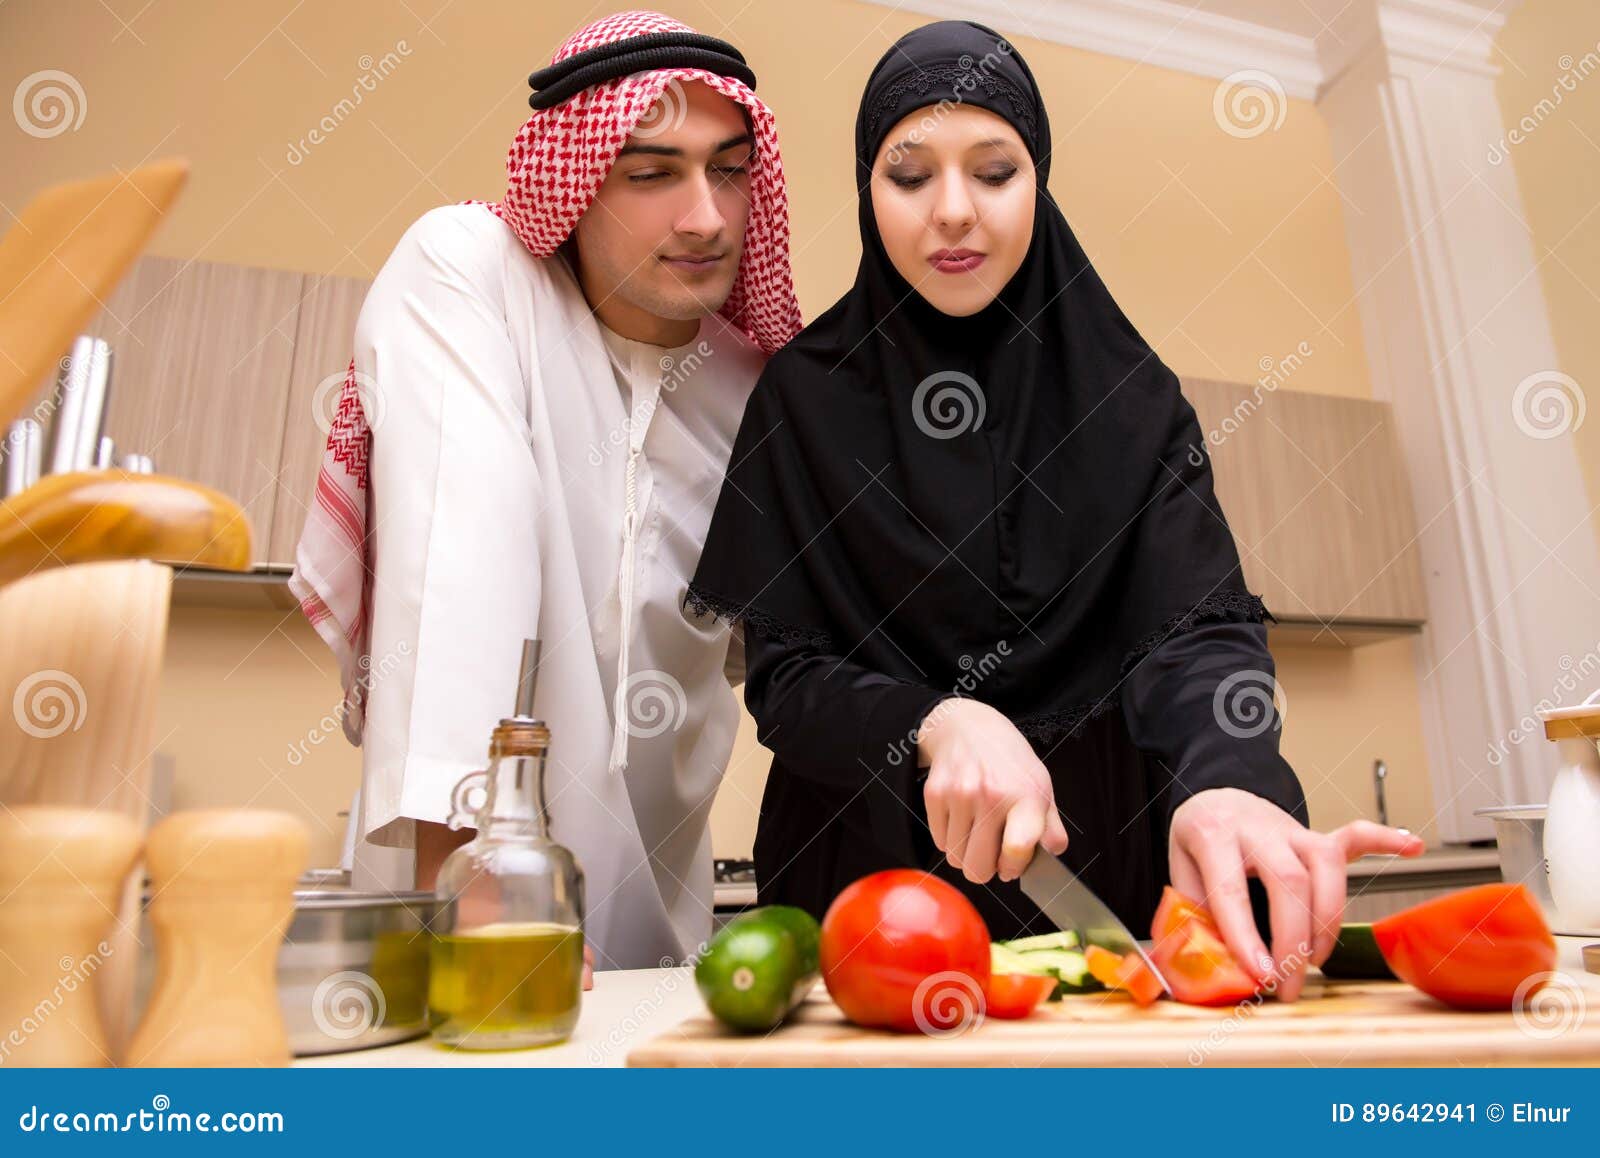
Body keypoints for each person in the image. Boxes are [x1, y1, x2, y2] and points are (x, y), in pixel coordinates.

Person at [686, 20, 1420, 1002]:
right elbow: (788, 682)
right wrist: (933, 722)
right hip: (868, 904)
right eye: (909, 176)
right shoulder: (799, 401)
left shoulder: (1130, 398)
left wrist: (1229, 773)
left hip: (1104, 888)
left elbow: (1193, 629)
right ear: (866, 190)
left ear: (1040, 183)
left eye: (994, 171)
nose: (953, 211)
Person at [291, 11, 801, 976]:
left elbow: (802, 660)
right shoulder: (474, 276)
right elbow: (460, 569)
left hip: (660, 953)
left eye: (729, 171)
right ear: (571, 184)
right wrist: (479, 914)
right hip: (461, 926)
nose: (705, 217)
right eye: (651, 173)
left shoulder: (759, 391)